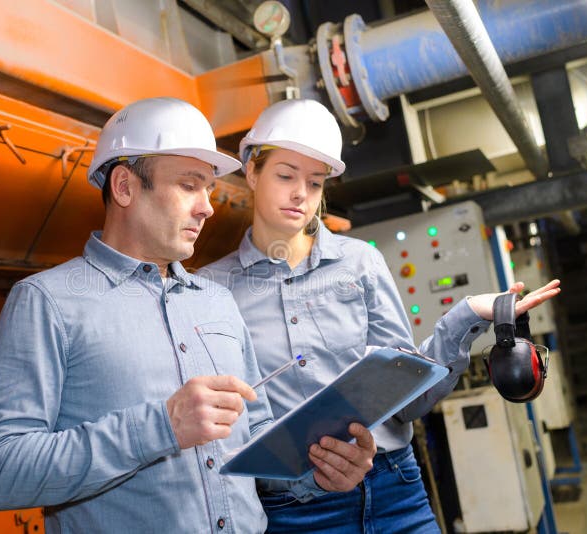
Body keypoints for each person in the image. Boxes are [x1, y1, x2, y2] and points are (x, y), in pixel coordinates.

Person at [0, 97, 377, 533]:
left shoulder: (217, 300)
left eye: (208, 189)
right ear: (124, 187)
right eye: (188, 186)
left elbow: (252, 437)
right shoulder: (48, 302)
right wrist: (161, 427)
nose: (207, 207)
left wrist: (314, 471)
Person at [199, 98, 561, 533]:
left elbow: (407, 401)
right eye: (285, 175)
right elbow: (227, 430)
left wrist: (467, 315)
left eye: (315, 182)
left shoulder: (361, 263)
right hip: (298, 512)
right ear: (252, 171)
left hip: (395, 491)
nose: (301, 194)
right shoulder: (212, 289)